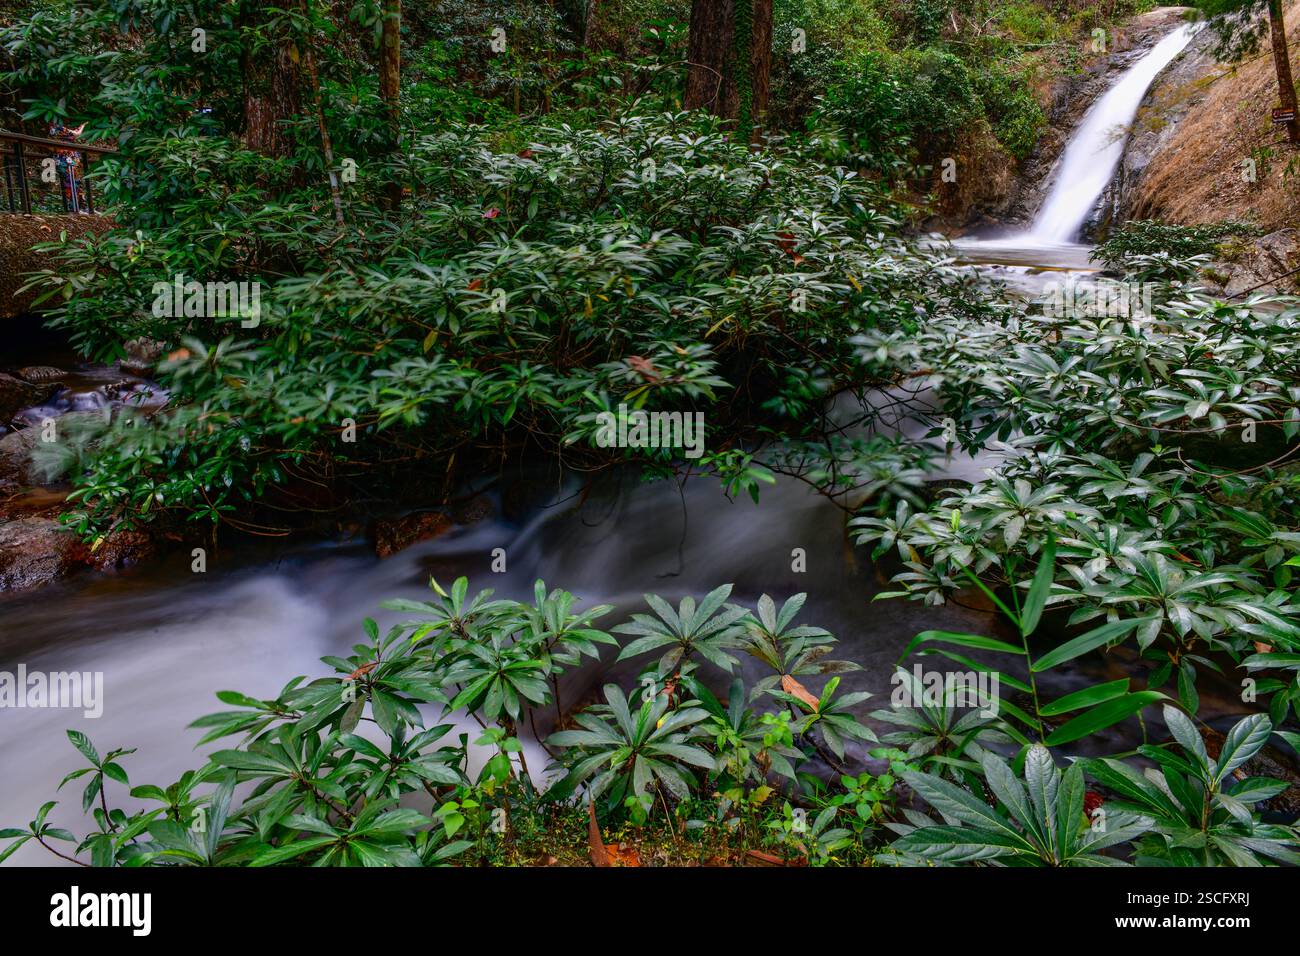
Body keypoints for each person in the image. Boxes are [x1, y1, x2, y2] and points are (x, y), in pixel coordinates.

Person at [47, 121, 87, 213]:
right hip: (66, 161)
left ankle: (81, 207)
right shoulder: (57, 128)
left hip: (69, 160)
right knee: (71, 184)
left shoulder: (57, 129)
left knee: (76, 183)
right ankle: (75, 208)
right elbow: (76, 134)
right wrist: (83, 126)